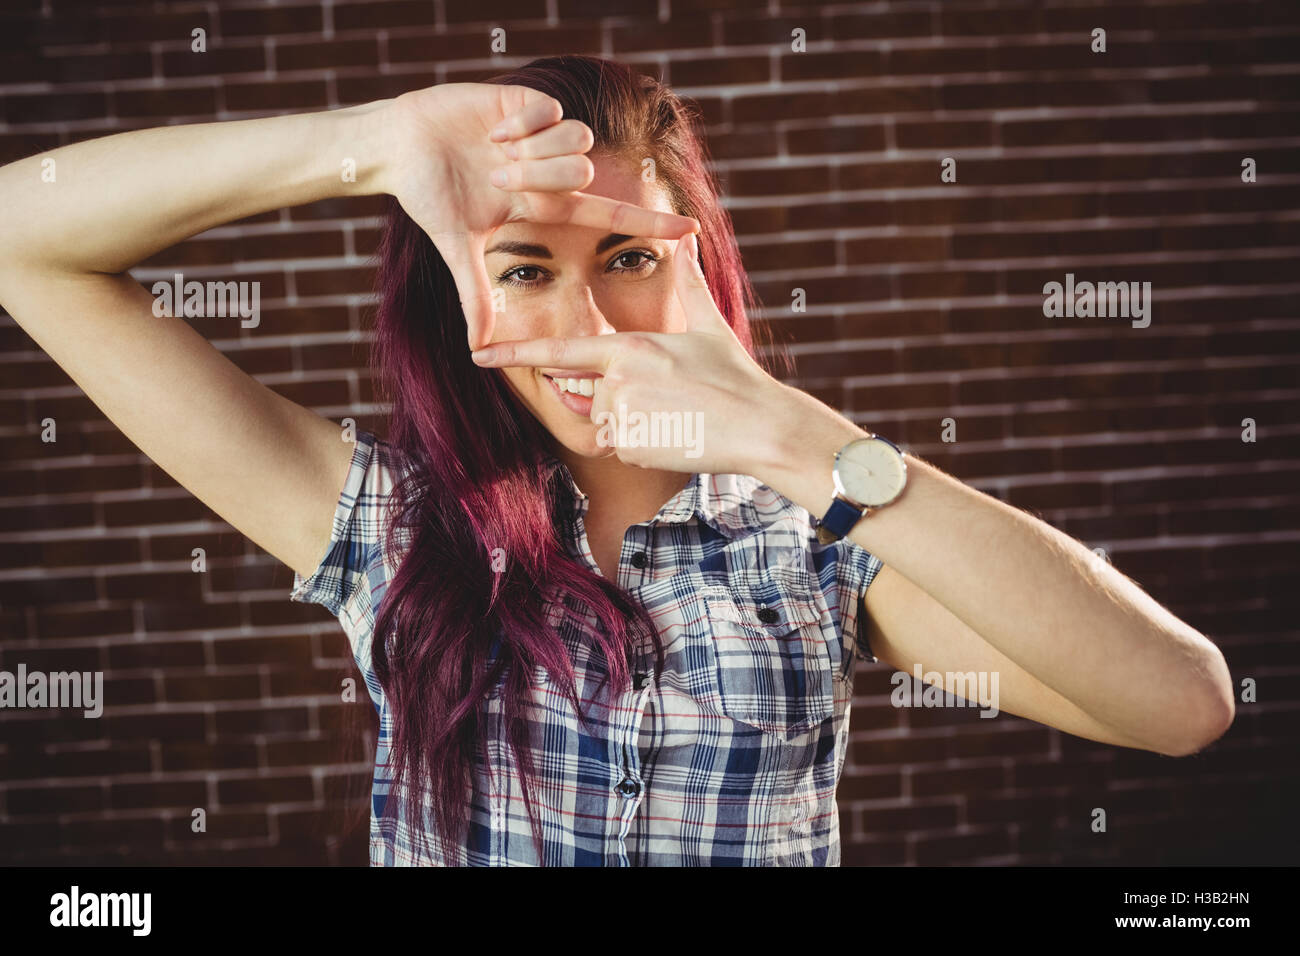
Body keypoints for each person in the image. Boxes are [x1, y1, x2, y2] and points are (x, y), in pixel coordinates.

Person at [0, 54, 1234, 867]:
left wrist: (809, 442)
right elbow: (24, 237)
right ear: (462, 302)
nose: (585, 322)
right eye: (527, 266)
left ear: (698, 269)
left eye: (629, 259)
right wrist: (367, 145)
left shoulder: (815, 539)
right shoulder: (387, 522)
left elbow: (1178, 703)